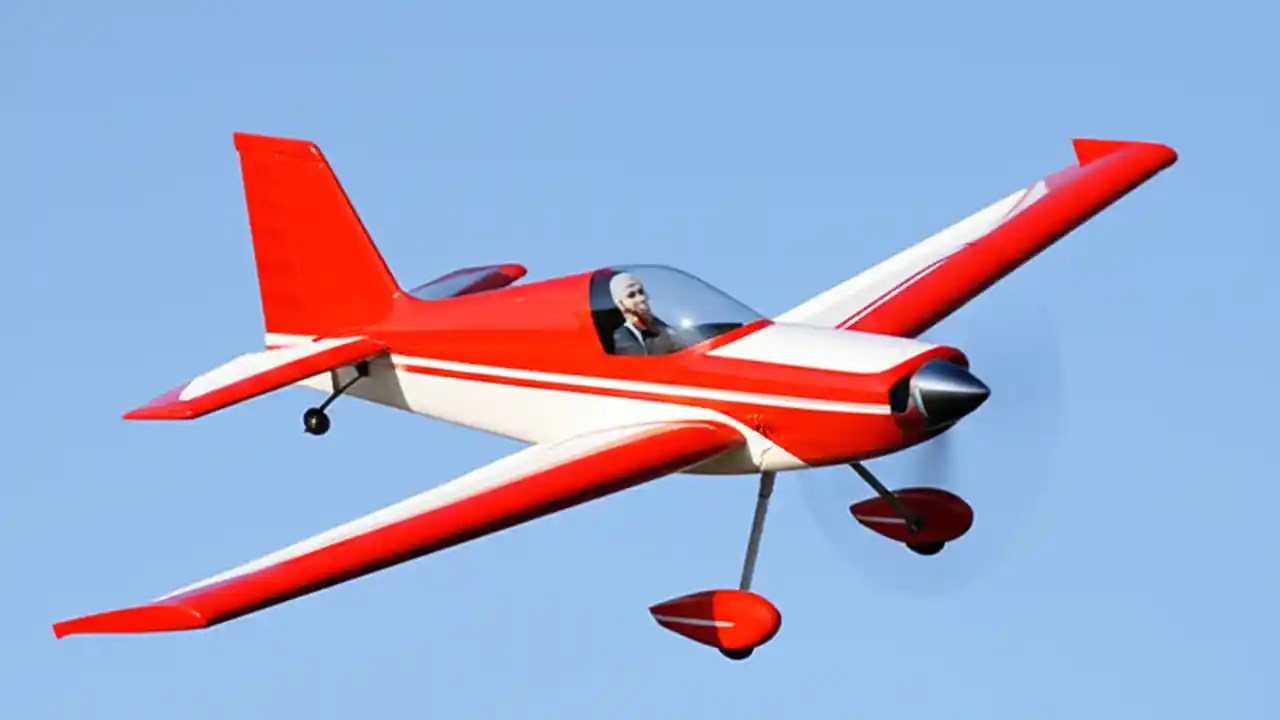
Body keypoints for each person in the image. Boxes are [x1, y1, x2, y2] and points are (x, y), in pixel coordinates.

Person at [609, 272, 679, 356]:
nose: (641, 298)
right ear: (621, 304)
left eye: (641, 292)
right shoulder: (621, 338)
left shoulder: (665, 329)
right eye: (631, 295)